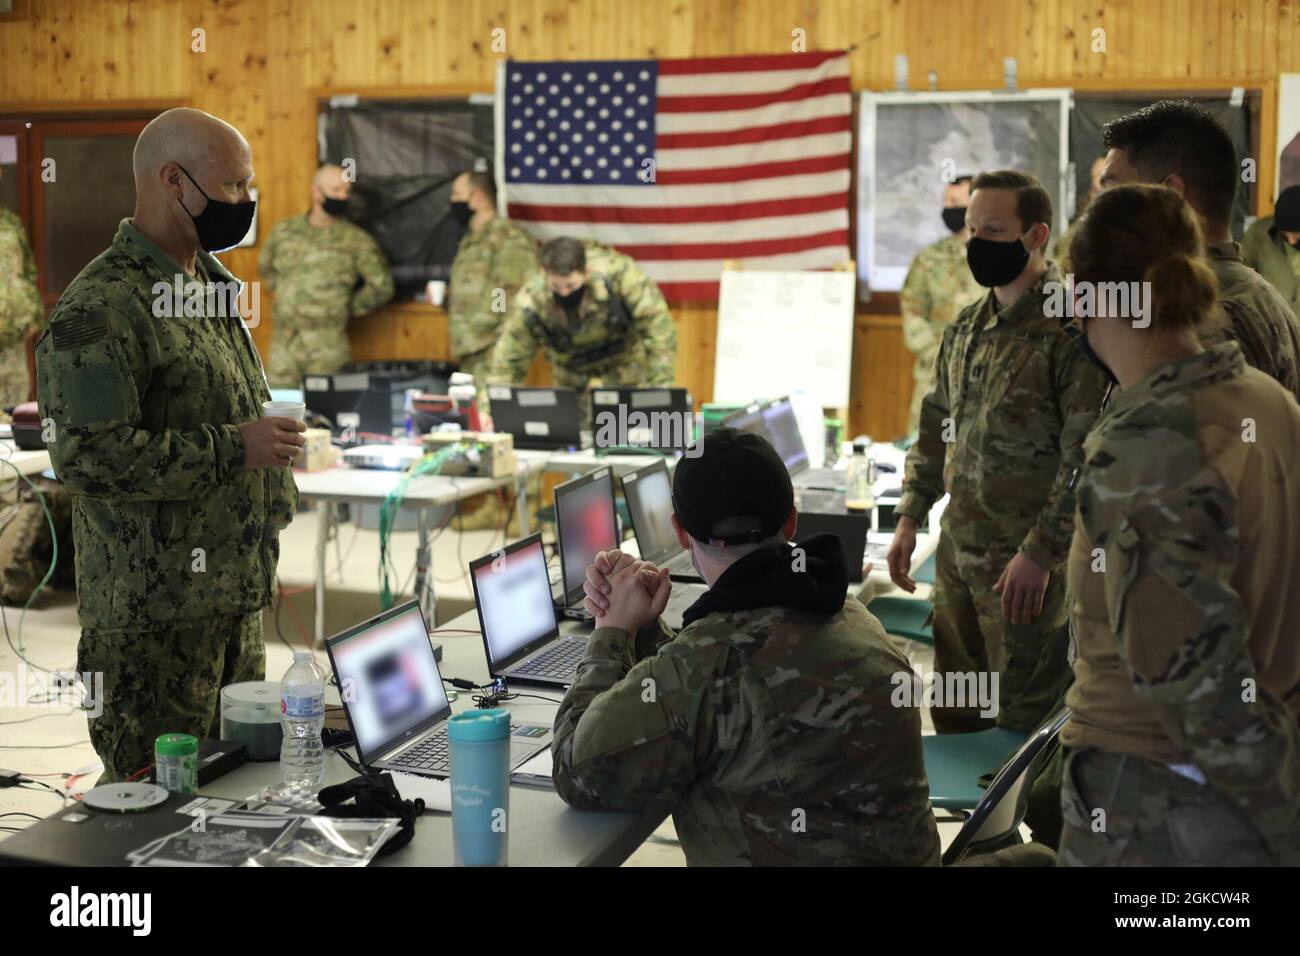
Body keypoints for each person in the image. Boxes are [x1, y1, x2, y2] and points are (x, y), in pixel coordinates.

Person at [35, 108, 306, 782]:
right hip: (151, 619)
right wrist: (232, 448)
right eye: (234, 186)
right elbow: (88, 457)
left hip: (231, 599)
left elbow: (225, 402)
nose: (245, 203)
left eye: (251, 187)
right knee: (148, 800)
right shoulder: (101, 305)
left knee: (231, 785)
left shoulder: (210, 283)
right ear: (172, 181)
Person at [551, 427, 941, 866]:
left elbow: (577, 772)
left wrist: (612, 632)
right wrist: (646, 632)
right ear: (791, 520)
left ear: (681, 532)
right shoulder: (850, 613)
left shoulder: (706, 665)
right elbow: (716, 698)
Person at [1056, 183, 1300, 866]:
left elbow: (1197, 690)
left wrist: (1285, 822)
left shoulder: (1148, 443)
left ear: (1084, 295)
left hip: (1162, 805)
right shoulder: (1265, 400)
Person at [889, 170, 1109, 734]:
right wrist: (911, 514)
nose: (975, 244)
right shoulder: (966, 327)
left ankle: (1020, 826)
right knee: (960, 718)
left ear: (1036, 235)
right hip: (959, 561)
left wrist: (1041, 553)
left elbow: (1084, 455)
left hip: (1027, 573)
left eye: (992, 229)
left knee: (1021, 728)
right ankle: (973, 827)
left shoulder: (1070, 328)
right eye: (971, 229)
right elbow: (937, 421)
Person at [1100, 99, 1300, 399]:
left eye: (1112, 192)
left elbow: (1171, 442)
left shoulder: (1195, 320)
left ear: (1169, 194)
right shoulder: (1253, 293)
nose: (1099, 211)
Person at [484, 236, 677, 416]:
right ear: (544, 274)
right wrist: (490, 409)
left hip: (625, 374)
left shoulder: (620, 277)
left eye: (571, 286)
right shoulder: (532, 301)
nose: (564, 293)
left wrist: (659, 395)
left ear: (586, 273)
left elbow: (659, 333)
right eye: (556, 287)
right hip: (571, 383)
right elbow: (508, 361)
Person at [260, 163, 394, 388]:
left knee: (326, 416)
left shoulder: (356, 240)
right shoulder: (284, 232)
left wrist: (344, 307)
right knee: (279, 413)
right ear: (316, 191)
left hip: (326, 348)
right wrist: (288, 295)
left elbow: (382, 286)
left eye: (346, 192)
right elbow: (267, 268)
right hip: (284, 347)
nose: (342, 196)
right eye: (336, 190)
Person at [899, 175, 984, 432]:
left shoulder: (995, 256)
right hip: (934, 376)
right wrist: (933, 353)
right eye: (946, 202)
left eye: (955, 202)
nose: (949, 208)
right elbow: (912, 310)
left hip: (983, 376)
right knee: (924, 449)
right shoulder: (928, 258)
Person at [446, 170, 537, 385]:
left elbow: (505, 293)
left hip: (494, 350)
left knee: (494, 413)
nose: (452, 201)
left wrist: (489, 330)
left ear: (477, 197)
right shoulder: (471, 239)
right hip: (470, 349)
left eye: (456, 195)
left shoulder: (508, 238)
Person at [0, 172, 44, 408]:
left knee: (14, 411)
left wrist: (34, 314)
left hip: (14, 338)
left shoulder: (10, 223)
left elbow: (28, 272)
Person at [1241, 184, 1300, 320]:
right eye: (1285, 235)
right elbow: (1242, 274)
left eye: (1296, 234)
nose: (1290, 241)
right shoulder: (1259, 233)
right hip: (1271, 324)